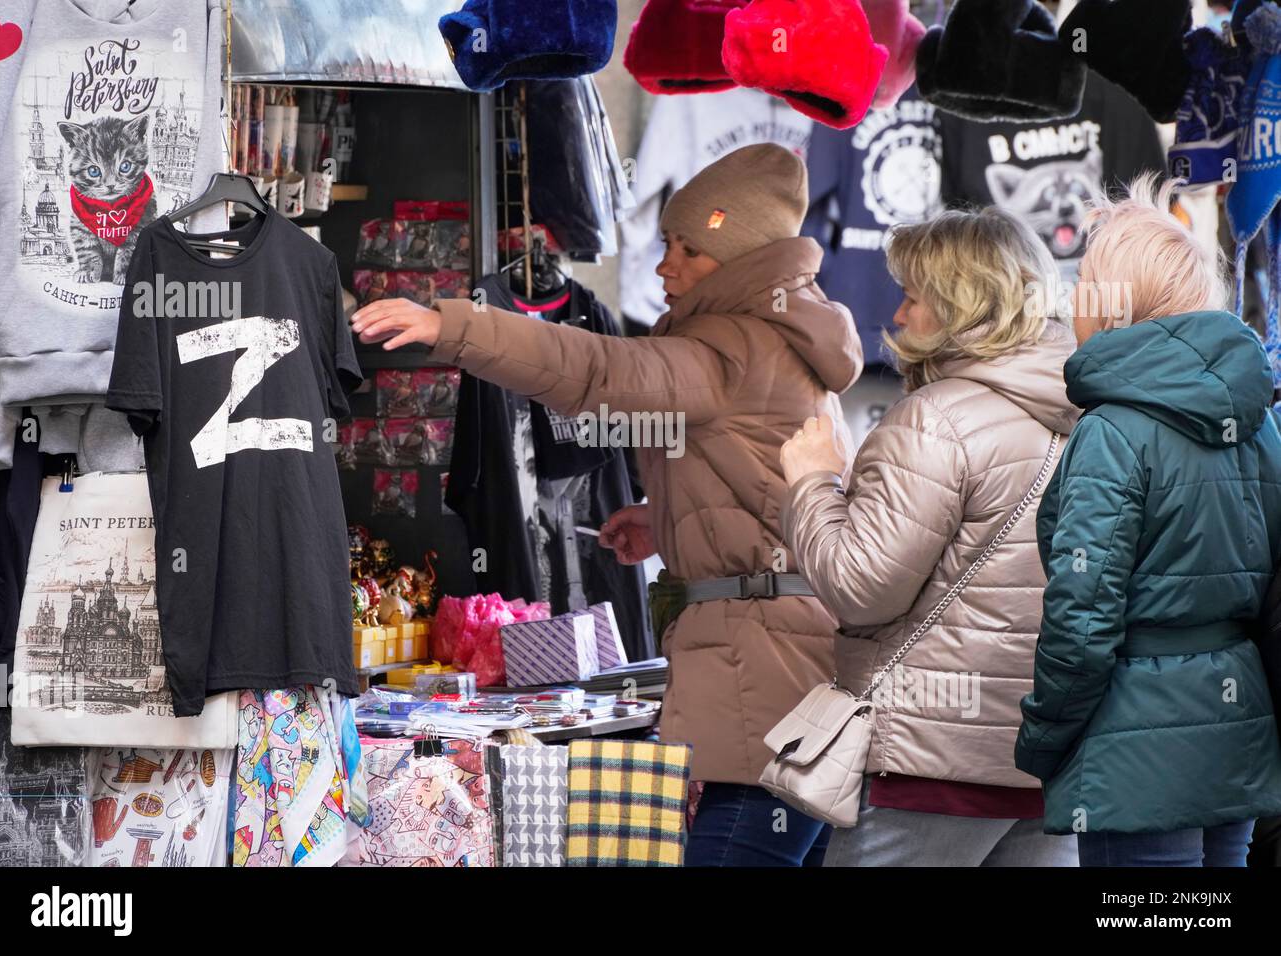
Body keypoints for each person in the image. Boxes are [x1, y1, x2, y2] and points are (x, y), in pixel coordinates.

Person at [350, 144, 864, 866]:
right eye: (666, 246)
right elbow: (765, 476)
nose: (665, 267)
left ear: (740, 262)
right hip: (787, 659)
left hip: (765, 674)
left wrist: (454, 326)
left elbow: (596, 369)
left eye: (688, 250)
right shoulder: (777, 340)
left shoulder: (732, 345)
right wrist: (671, 517)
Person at [779, 206, 1080, 866]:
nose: (897, 318)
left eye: (913, 297)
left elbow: (861, 590)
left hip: (929, 772)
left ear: (959, 304)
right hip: (1046, 765)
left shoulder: (936, 421)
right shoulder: (1085, 418)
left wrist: (812, 483)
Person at [1014, 173, 1281, 867]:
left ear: (1112, 303)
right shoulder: (1259, 424)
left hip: (1135, 745)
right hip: (1238, 729)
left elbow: (1082, 617)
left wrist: (1046, 736)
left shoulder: (1113, 430)